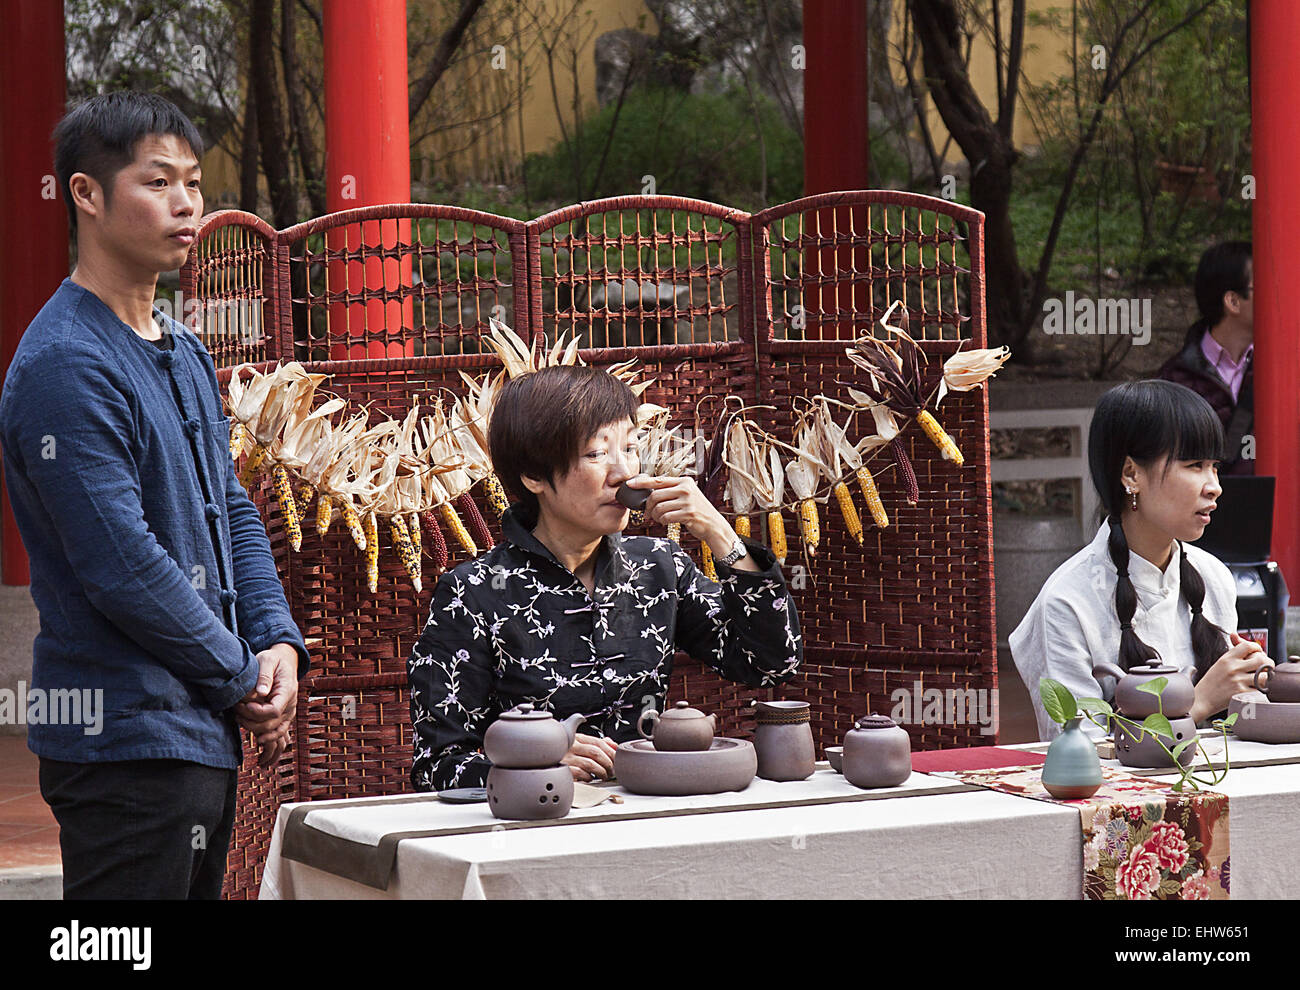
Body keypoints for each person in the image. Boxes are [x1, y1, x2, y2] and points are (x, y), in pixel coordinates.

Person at [0, 91, 309, 898]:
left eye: (195, 183)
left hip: (196, 729)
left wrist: (276, 640)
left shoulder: (181, 347)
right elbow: (122, 564)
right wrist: (240, 676)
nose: (187, 204)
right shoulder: (67, 362)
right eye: (158, 181)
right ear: (87, 195)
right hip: (122, 739)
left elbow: (232, 506)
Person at [407, 365, 802, 790]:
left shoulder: (658, 567)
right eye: (596, 454)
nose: (625, 474)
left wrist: (721, 534)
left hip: (651, 808)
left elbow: (771, 663)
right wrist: (533, 757)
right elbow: (438, 767)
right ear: (533, 475)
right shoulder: (473, 593)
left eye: (630, 448)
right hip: (533, 827)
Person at [1009, 380, 1271, 740]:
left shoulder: (1213, 577)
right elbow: (1077, 751)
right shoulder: (1066, 602)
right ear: (1132, 474)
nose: (1214, 485)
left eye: (1214, 466)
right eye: (1194, 465)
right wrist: (1199, 703)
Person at [1157, 241, 1254, 475]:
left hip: (1274, 508)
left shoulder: (1285, 370)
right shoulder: (1174, 380)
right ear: (1233, 301)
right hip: (1202, 508)